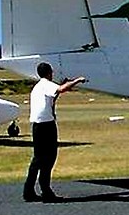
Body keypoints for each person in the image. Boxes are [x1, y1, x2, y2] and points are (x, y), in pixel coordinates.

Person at [23, 62, 86, 202]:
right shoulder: (46, 84)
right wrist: (76, 81)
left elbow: (53, 97)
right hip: (46, 126)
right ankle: (44, 190)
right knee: (48, 158)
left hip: (38, 125)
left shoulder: (39, 86)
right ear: (49, 72)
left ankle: (30, 190)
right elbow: (61, 90)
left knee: (39, 159)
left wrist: (64, 84)